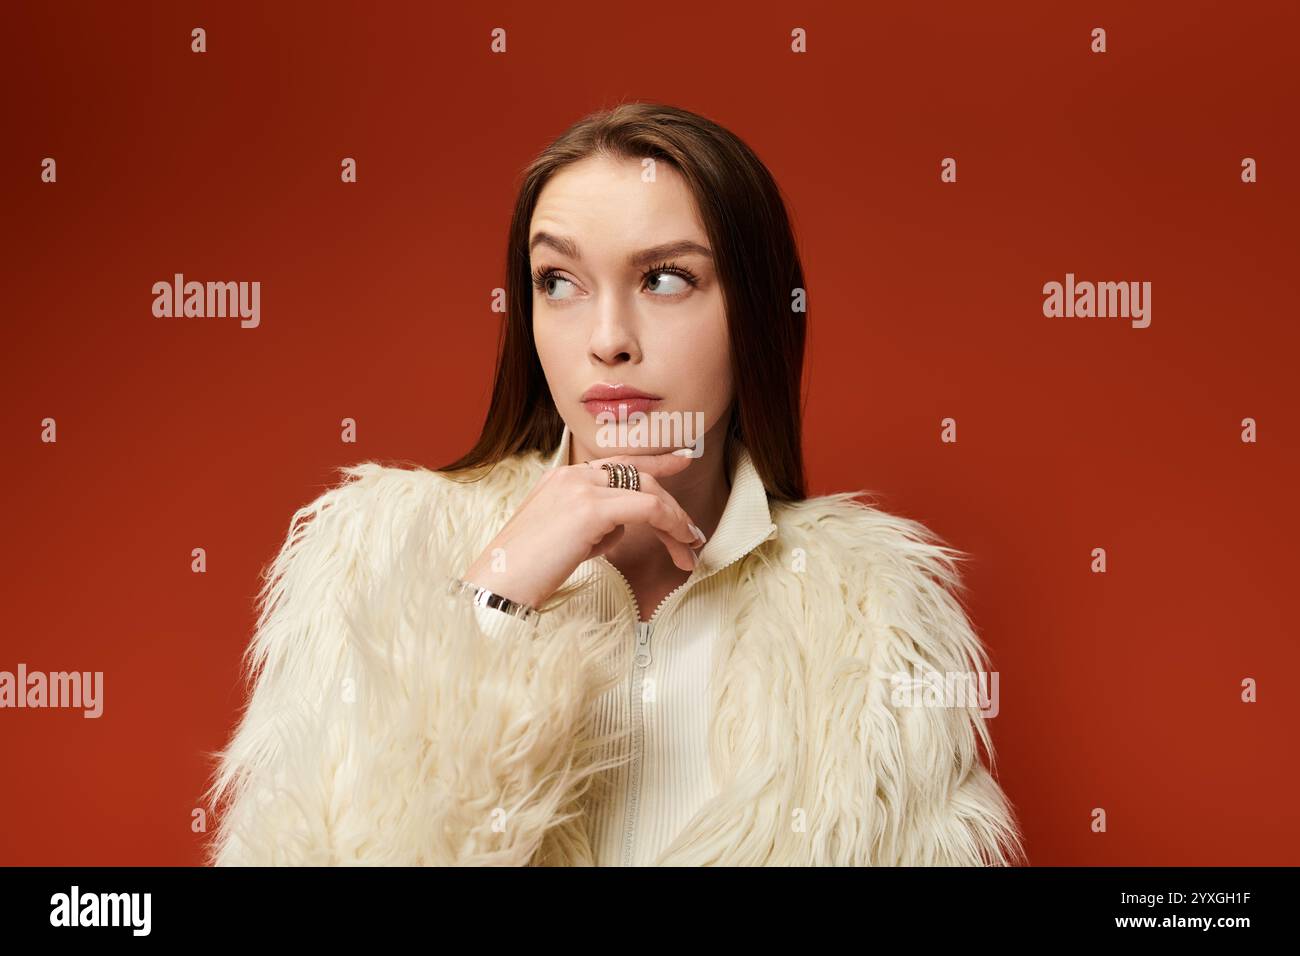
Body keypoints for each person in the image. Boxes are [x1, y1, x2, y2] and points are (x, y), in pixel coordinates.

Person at [202, 102, 1027, 866]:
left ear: (760, 314)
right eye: (558, 282)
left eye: (665, 278)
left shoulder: (876, 613)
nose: (606, 340)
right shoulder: (371, 554)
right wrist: (492, 602)